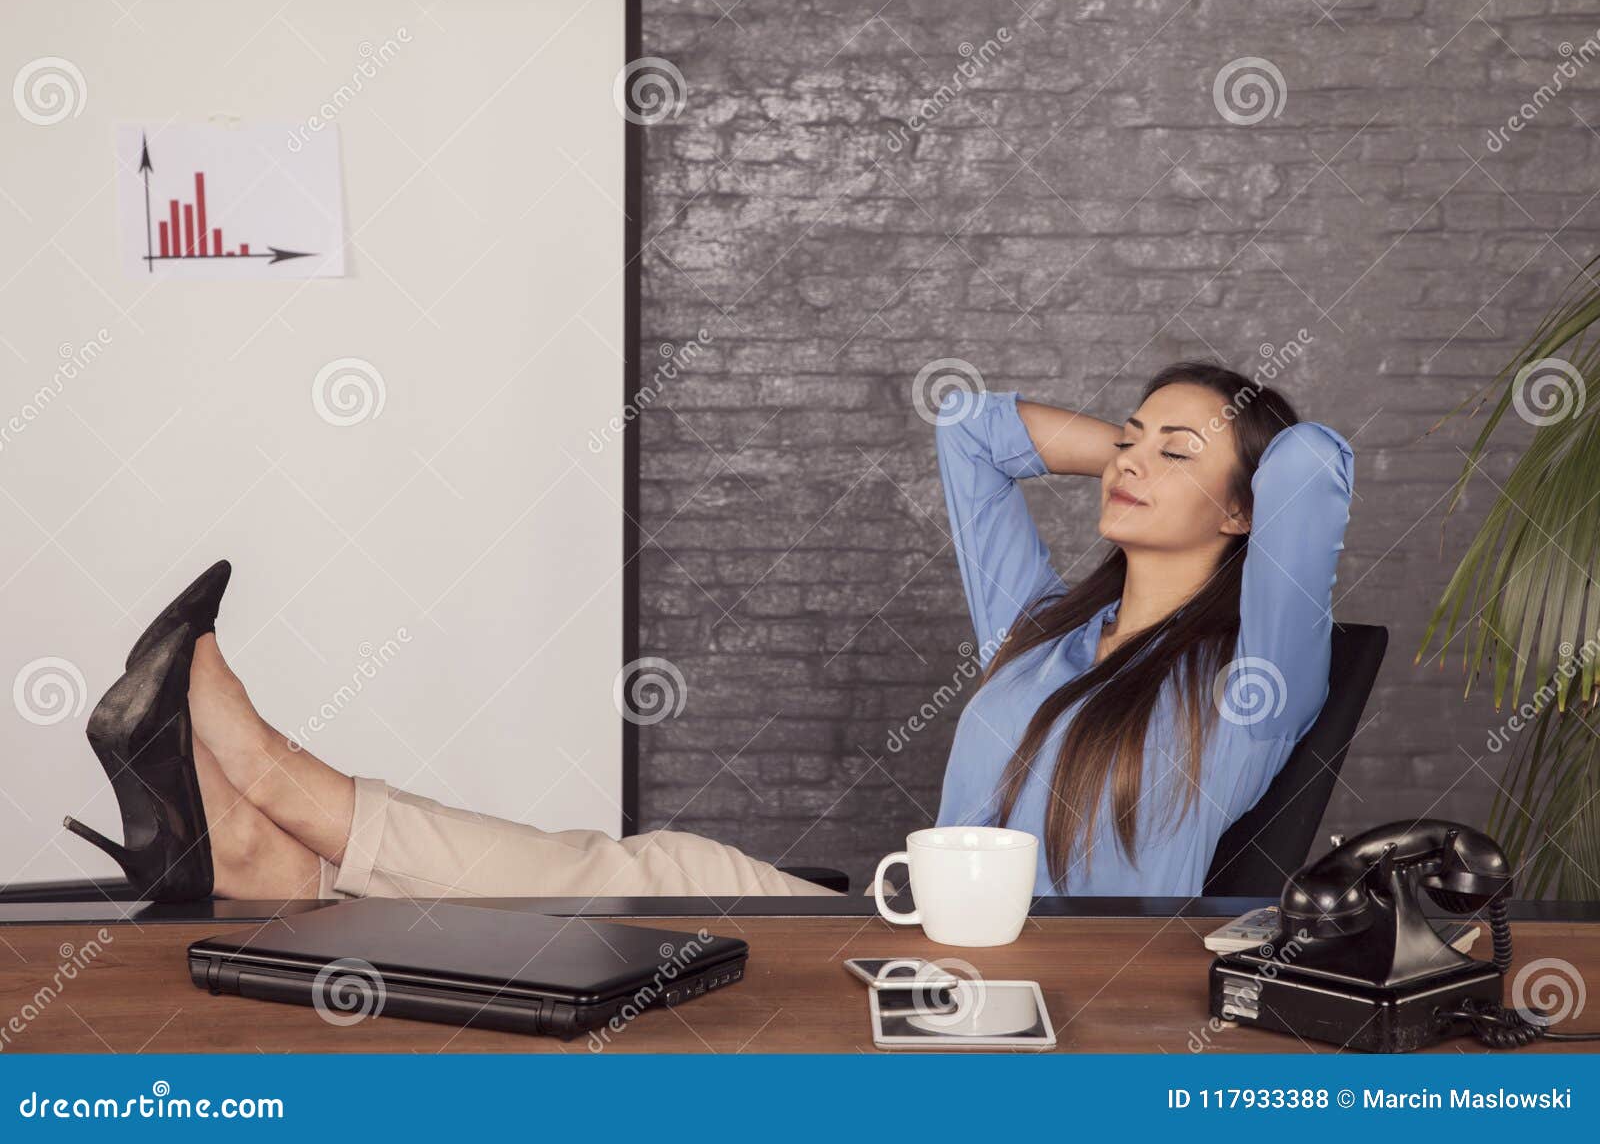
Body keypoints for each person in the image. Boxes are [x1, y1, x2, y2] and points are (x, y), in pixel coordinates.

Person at [64, 360, 1351, 901]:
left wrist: (1230, 438)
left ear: (1243, 511)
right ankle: (268, 850)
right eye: (1124, 436)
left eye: (1171, 451)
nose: (1129, 456)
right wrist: (1146, 446)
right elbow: (969, 427)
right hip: (904, 950)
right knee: (647, 872)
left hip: (1052, 1013)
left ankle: (275, 794)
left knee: (650, 876)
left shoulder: (1256, 680)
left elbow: (1310, 462)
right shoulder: (1040, 631)